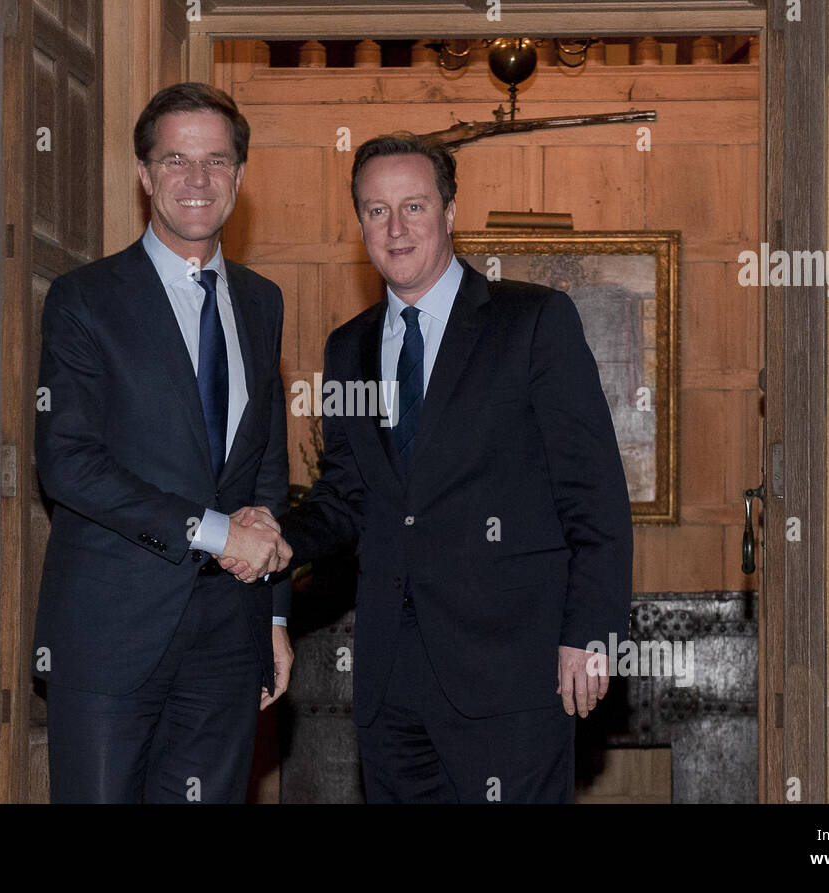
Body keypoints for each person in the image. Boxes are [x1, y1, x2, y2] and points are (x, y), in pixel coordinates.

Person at [229, 133, 633, 803]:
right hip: (393, 686)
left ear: (449, 211)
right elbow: (347, 495)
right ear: (360, 222)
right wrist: (282, 536)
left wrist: (589, 636)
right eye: (376, 210)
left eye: (413, 206)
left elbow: (594, 496)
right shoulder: (348, 348)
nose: (395, 227)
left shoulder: (532, 322)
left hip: (515, 676)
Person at [31, 82, 293, 803]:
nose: (197, 179)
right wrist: (215, 533)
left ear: (239, 175)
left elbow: (265, 464)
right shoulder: (85, 299)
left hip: (229, 639)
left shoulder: (262, 300)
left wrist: (272, 613)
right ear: (144, 174)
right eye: (176, 159)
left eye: (216, 160)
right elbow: (68, 461)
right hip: (112, 635)